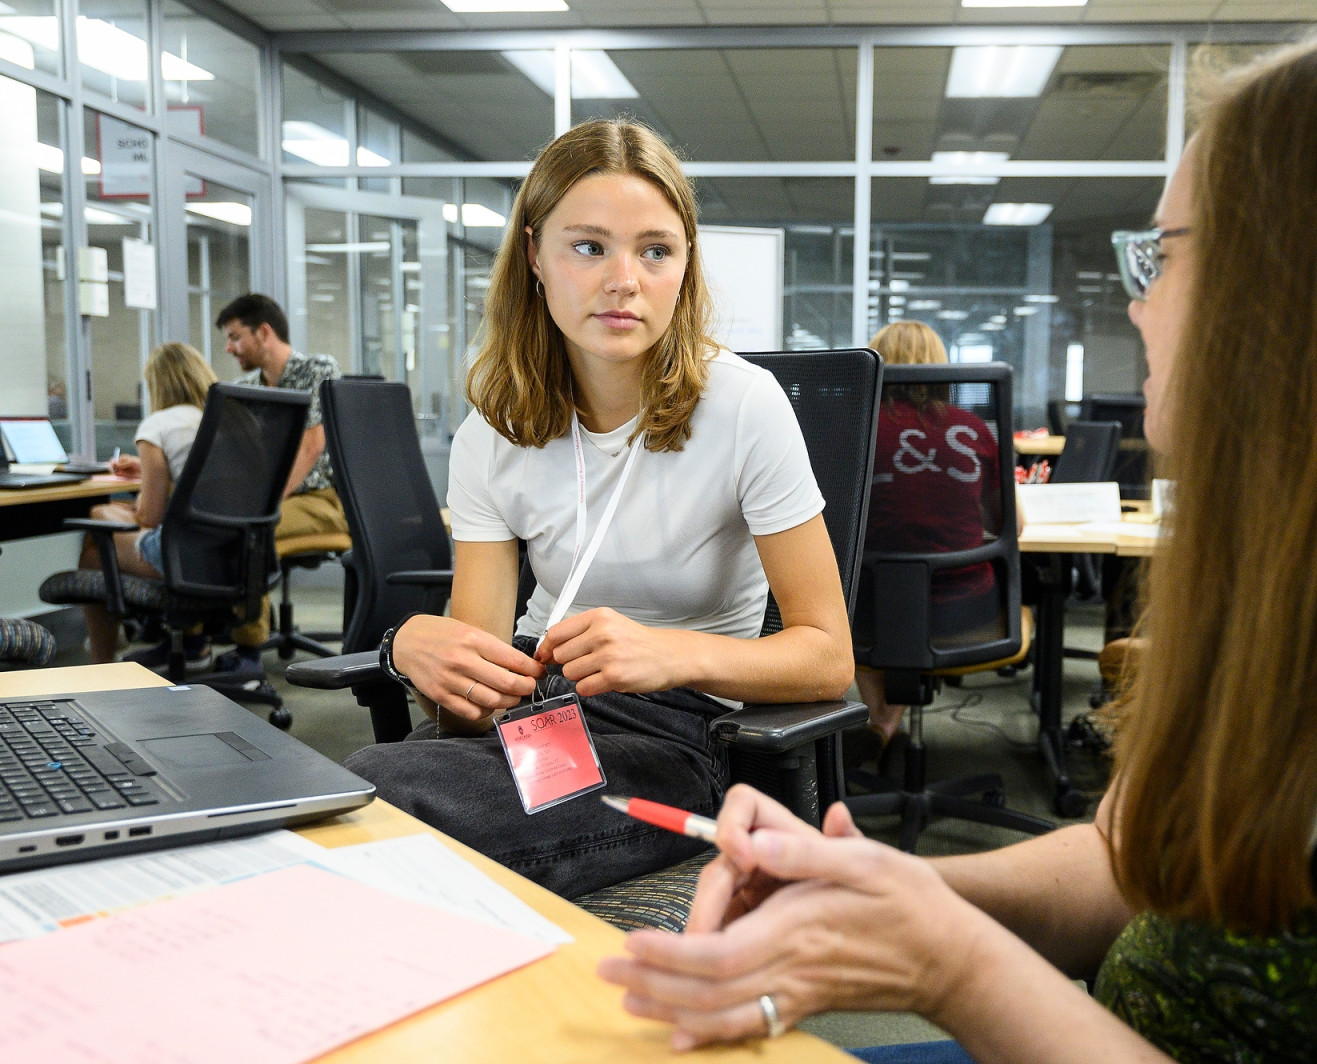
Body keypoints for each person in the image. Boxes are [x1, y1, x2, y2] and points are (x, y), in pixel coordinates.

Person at [596, 11, 1317, 1062]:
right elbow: (1132, 867)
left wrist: (945, 963)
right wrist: (880, 887)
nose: (1136, 305)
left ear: (1315, 289)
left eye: (1160, 255)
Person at [341, 118, 854, 900]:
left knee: (395, 812)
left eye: (656, 250)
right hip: (542, 713)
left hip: (679, 734)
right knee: (349, 798)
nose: (625, 279)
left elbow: (828, 657)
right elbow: (469, 713)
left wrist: (671, 654)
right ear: (536, 257)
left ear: (684, 268)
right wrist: (411, 652)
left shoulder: (744, 407)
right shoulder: (494, 431)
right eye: (589, 247)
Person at [846, 320, 1002, 775]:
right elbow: (1008, 524)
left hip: (866, 612)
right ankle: (885, 729)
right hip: (963, 610)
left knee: (862, 610)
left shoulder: (852, 431)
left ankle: (880, 725)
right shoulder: (971, 428)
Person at [213, 292, 345, 673]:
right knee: (217, 523)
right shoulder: (247, 387)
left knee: (251, 530)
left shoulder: (317, 369)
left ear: (264, 332)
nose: (229, 347)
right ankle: (197, 638)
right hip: (271, 499)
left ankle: (249, 651)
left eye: (235, 336)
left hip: (324, 498)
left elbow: (311, 445)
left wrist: (265, 500)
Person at [79, 342, 216, 666]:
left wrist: (133, 509)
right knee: (106, 521)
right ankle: (180, 640)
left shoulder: (158, 425)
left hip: (184, 557)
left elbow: (151, 517)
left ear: (157, 383)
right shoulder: (222, 418)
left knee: (97, 533)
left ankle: (102, 658)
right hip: (235, 555)